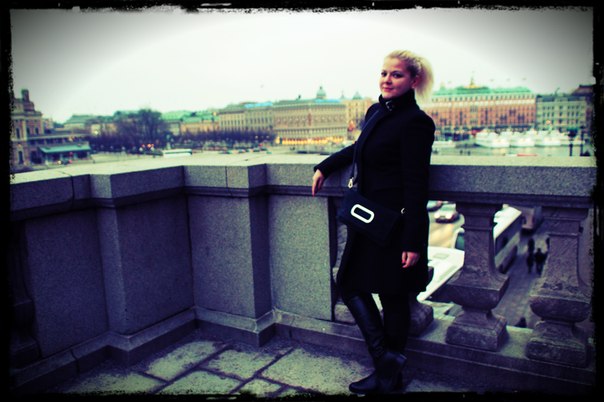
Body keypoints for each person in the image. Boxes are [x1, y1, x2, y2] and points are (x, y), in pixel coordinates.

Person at [311, 50, 435, 394]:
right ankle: (387, 363)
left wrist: (412, 240)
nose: (387, 80)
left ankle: (388, 375)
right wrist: (325, 166)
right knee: (348, 281)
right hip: (368, 220)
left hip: (394, 225)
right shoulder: (376, 111)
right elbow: (359, 149)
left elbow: (417, 184)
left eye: (396, 74)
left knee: (393, 296)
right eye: (384, 73)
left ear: (414, 80)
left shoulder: (416, 122)